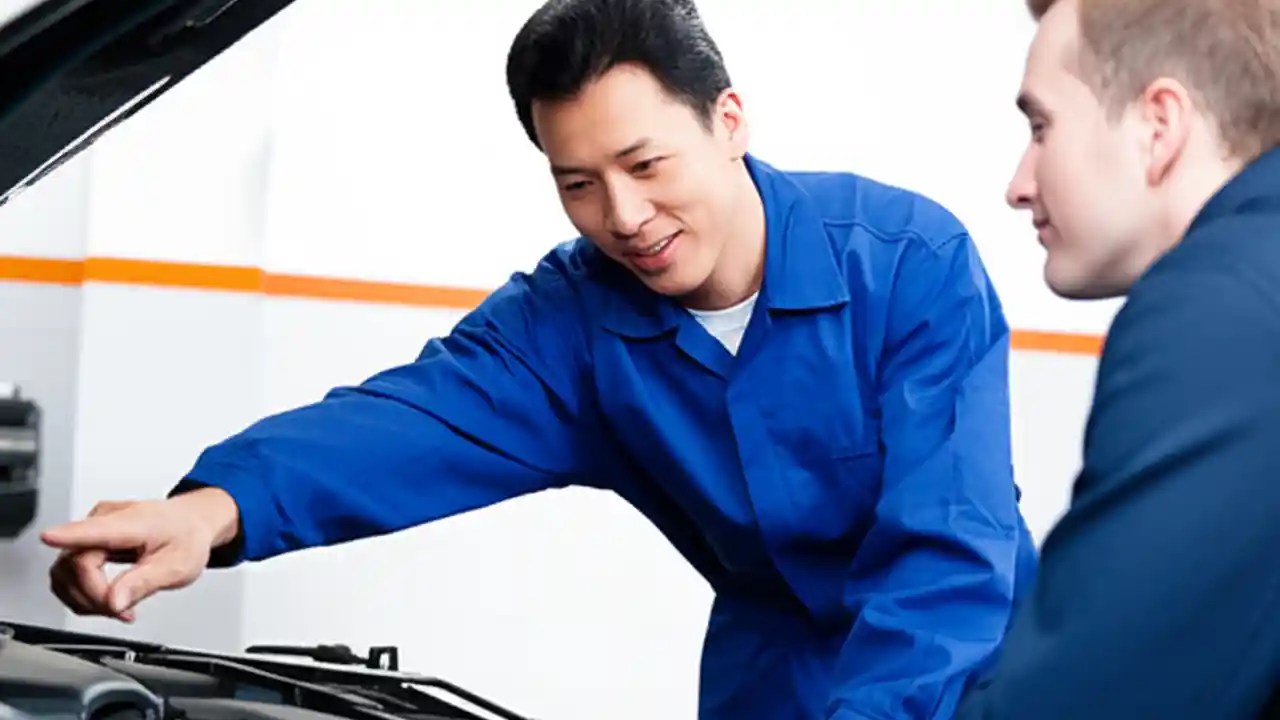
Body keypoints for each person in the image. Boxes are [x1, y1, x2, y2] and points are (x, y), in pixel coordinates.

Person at [41, 0, 1038, 717]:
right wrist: (210, 512)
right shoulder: (572, 321)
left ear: (727, 122)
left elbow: (946, 550)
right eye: (578, 184)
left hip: (968, 660)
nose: (624, 217)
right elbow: (410, 422)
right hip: (770, 672)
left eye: (646, 165)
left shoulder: (907, 263)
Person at [954, 0, 1280, 718]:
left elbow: (1082, 700)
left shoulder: (1218, 310)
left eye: (1041, 127)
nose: (1019, 183)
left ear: (1157, 126)